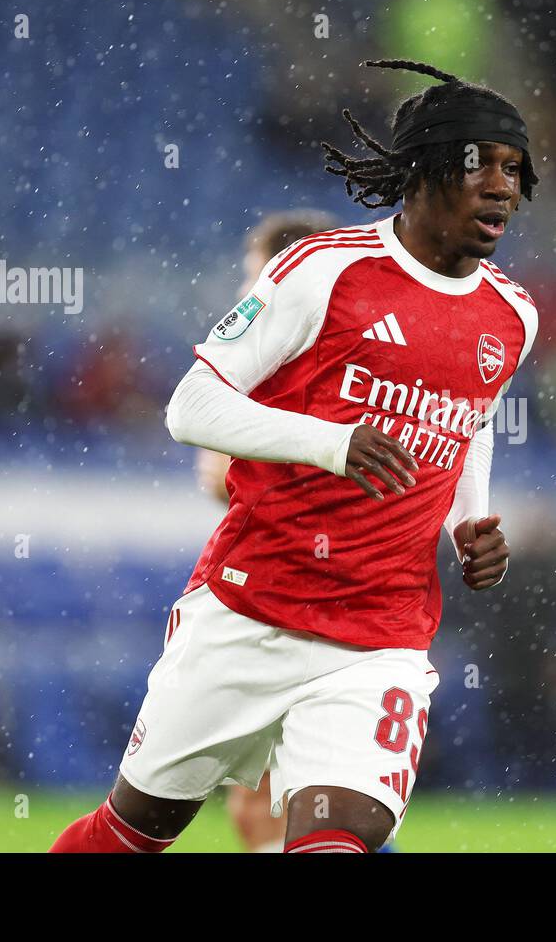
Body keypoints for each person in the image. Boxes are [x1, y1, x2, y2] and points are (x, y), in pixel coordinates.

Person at [51, 58, 538, 853]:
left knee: (336, 841)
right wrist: (332, 443)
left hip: (381, 637)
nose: (501, 187)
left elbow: (472, 416)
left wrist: (472, 517)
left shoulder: (513, 315)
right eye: (475, 165)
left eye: (513, 170)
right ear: (421, 174)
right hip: (250, 609)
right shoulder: (325, 271)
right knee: (133, 833)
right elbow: (189, 406)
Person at [197, 210, 339, 854]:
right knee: (296, 803)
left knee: (276, 806)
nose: (246, 294)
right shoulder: (329, 358)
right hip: (281, 590)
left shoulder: (306, 363)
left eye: (256, 277)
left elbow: (217, 471)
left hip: (304, 600)